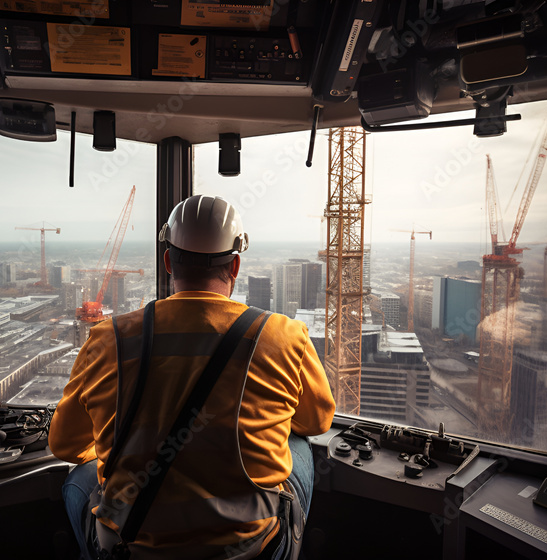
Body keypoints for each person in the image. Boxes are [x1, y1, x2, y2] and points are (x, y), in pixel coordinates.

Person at [49, 194, 335, 560]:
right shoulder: (283, 335)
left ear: (168, 260)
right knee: (300, 445)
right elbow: (316, 421)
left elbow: (65, 445)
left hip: (131, 550)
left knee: (78, 481)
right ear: (234, 267)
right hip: (252, 551)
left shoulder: (109, 339)